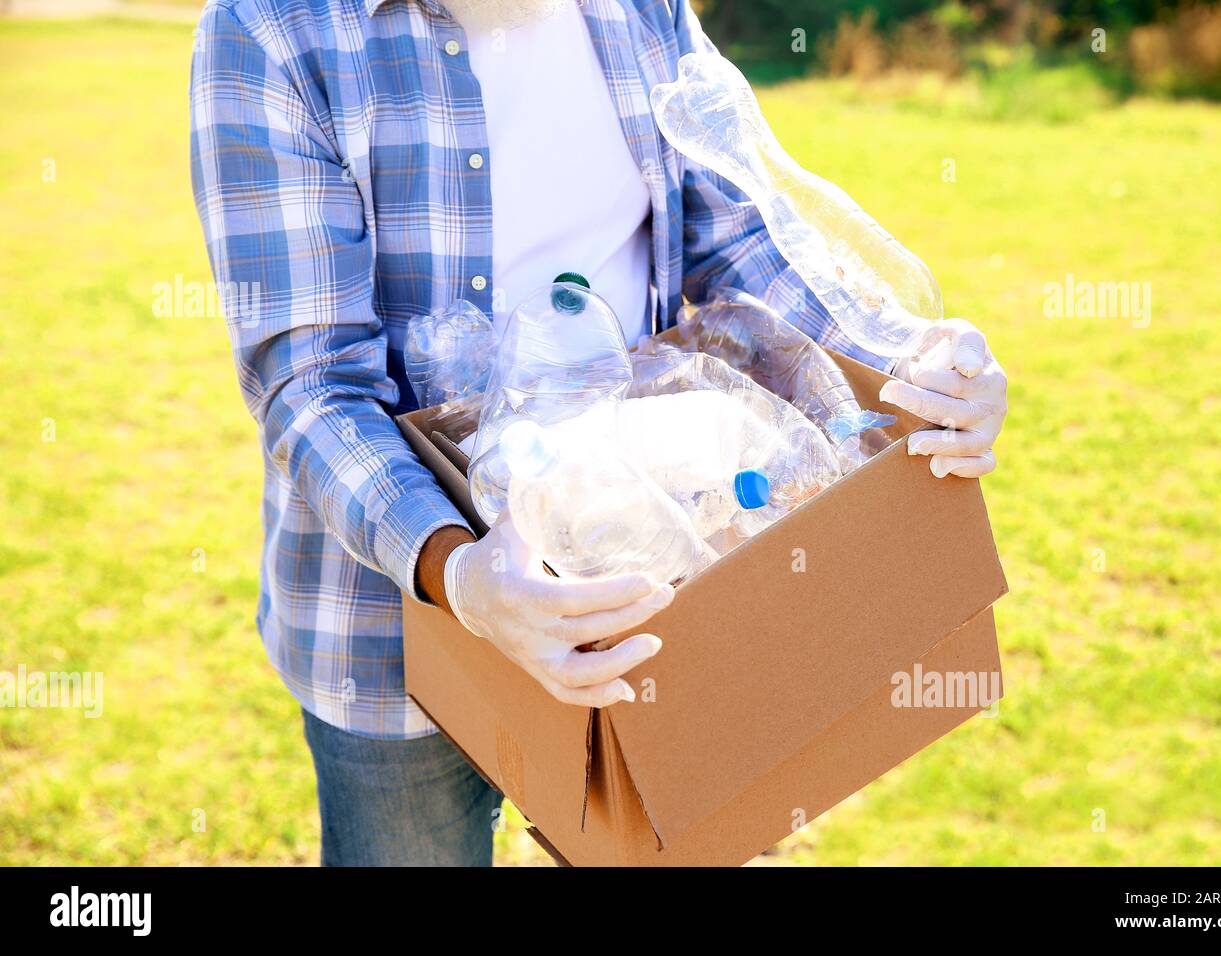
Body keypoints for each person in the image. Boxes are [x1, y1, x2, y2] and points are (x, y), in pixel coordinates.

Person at [189, 0, 1008, 866]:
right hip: (386, 616)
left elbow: (734, 236)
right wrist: (459, 573)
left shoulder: (642, 11)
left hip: (664, 569)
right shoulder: (272, 31)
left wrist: (907, 361)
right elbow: (313, 382)